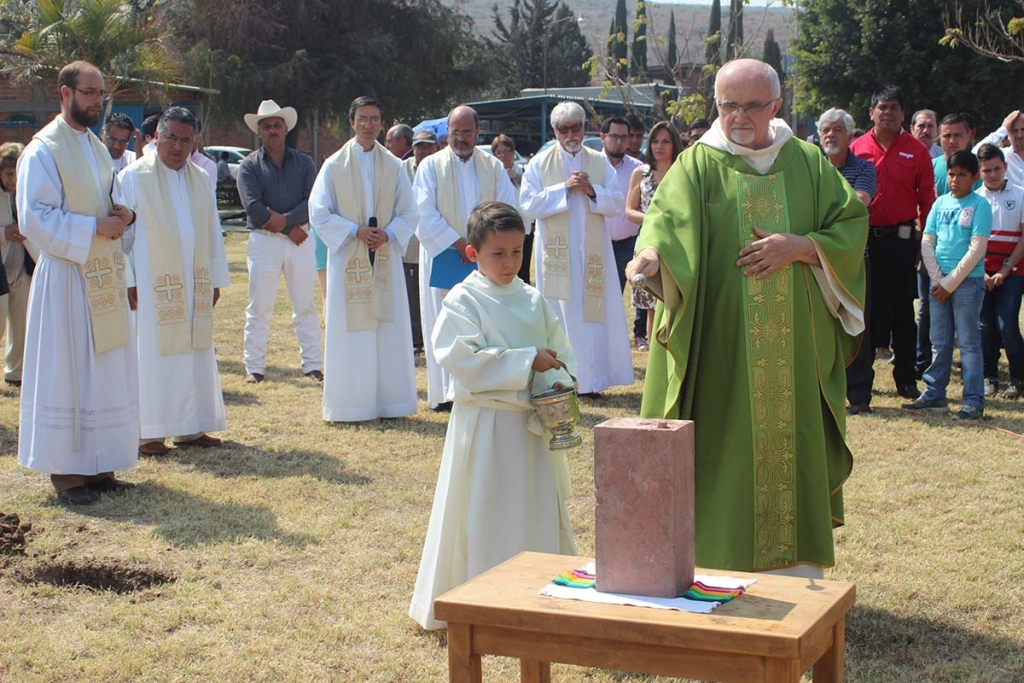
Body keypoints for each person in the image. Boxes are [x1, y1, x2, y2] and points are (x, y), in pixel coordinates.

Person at [627, 58, 867, 576]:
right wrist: (651, 257)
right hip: (721, 341)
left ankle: (795, 570)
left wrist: (803, 246)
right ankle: (718, 561)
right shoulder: (696, 164)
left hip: (794, 349)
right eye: (728, 105)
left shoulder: (806, 161)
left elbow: (850, 222)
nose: (738, 116)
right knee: (720, 441)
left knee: (790, 442)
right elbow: (666, 223)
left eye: (751, 105)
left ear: (776, 107)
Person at [409, 201, 577, 630]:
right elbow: (459, 356)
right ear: (473, 254)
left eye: (517, 252)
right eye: (497, 254)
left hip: (530, 427)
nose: (509, 263)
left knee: (531, 506)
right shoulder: (464, 300)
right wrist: (523, 361)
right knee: (485, 508)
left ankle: (536, 592)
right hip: (487, 425)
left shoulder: (533, 298)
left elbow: (561, 352)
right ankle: (480, 597)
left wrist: (557, 382)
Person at [16, 61, 139, 506]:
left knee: (103, 368)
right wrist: (94, 228)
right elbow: (35, 219)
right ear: (64, 92)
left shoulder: (94, 147)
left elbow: (110, 198)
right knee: (67, 370)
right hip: (66, 277)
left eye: (102, 94)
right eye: (90, 93)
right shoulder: (42, 151)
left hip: (102, 275)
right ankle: (66, 472)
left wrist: (125, 215)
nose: (98, 102)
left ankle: (99, 463)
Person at [119, 107, 231, 455]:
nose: (178, 146)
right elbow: (122, 236)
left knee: (195, 349)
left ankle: (191, 426)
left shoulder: (200, 179)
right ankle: (149, 432)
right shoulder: (134, 177)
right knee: (154, 352)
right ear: (156, 136)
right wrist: (129, 278)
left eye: (186, 139)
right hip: (152, 284)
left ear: (194, 141)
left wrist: (214, 278)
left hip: (193, 279)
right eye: (171, 137)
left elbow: (212, 232)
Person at [309, 95, 417, 422]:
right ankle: (351, 404)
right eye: (363, 119)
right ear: (351, 122)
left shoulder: (394, 166)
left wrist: (389, 233)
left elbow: (409, 211)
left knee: (387, 326)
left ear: (382, 123)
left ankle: (390, 402)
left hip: (383, 254)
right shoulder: (334, 164)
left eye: (374, 119)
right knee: (351, 329)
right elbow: (318, 211)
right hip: (350, 255)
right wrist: (354, 231)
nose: (368, 125)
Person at [520, 101, 632, 396]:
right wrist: (564, 189)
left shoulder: (598, 161)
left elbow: (618, 201)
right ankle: (565, 378)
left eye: (576, 127)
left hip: (593, 253)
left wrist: (593, 190)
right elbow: (528, 204)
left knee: (593, 315)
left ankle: (593, 380)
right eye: (563, 129)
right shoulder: (539, 163)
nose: (570, 134)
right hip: (558, 256)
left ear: (585, 128)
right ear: (555, 131)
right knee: (562, 314)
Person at [414, 105, 517, 411]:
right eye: (455, 132)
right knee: (443, 321)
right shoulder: (430, 166)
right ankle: (445, 393)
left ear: (478, 133)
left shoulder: (493, 166)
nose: (460, 139)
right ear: (447, 132)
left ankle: (481, 386)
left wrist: (483, 247)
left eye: (466, 132)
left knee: (484, 322)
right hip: (445, 256)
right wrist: (459, 244)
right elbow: (423, 212)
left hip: (484, 259)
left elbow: (507, 206)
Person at [849, 85, 935, 400]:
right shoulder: (856, 148)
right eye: (882, 107)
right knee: (867, 311)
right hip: (864, 241)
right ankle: (861, 382)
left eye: (894, 107)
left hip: (901, 241)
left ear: (903, 114)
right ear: (871, 112)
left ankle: (907, 379)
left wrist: (926, 247)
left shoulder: (918, 151)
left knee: (902, 311)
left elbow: (927, 200)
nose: (888, 113)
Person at [237, 99, 323, 384]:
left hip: (300, 240)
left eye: (277, 125)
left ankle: (313, 365)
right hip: (265, 240)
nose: (272, 130)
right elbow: (254, 207)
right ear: (259, 132)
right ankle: (254, 367)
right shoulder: (249, 165)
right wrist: (290, 227)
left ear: (286, 129)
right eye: (266, 126)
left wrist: (285, 223)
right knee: (259, 307)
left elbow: (312, 201)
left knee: (305, 305)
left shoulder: (305, 162)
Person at [906, 150, 991, 420]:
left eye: (962, 175)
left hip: (967, 283)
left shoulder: (980, 205)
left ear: (975, 177)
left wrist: (950, 283)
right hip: (938, 282)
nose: (955, 180)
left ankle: (973, 401)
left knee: (968, 343)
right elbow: (928, 242)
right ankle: (935, 393)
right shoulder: (940, 203)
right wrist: (938, 279)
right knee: (938, 341)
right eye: (952, 174)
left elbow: (976, 250)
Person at [818, 108, 877, 415]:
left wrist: (821, 213)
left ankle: (859, 396)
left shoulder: (865, 169)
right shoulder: (810, 169)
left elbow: (858, 203)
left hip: (854, 261)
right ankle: (823, 393)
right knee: (819, 327)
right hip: (815, 260)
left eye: (838, 129)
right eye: (826, 129)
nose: (831, 135)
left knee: (856, 326)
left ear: (851, 136)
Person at [918, 112, 979, 377]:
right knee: (927, 312)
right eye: (946, 135)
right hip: (933, 257)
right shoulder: (931, 166)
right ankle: (925, 366)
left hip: (968, 262)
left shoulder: (978, 171)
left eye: (958, 135)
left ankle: (978, 375)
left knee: (971, 329)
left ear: (970, 135)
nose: (951, 140)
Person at [624, 121, 684, 352]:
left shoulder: (683, 171)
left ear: (674, 144)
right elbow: (629, 211)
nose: (659, 146)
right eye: (655, 141)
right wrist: (653, 219)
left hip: (678, 241)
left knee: (673, 299)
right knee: (650, 302)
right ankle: (653, 351)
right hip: (649, 240)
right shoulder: (641, 173)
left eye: (665, 141)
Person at [976, 144, 1024, 399]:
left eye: (997, 169)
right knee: (985, 327)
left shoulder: (1021, 194)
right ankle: (989, 376)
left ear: (1005, 167)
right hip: (981, 272)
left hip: (1013, 270)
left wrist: (1005, 269)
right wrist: (981, 271)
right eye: (987, 170)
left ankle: (1017, 378)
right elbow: (971, 240)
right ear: (980, 172)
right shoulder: (975, 198)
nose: (992, 174)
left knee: (1007, 325)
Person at [601, 116, 646, 347]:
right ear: (603, 137)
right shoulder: (592, 164)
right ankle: (606, 340)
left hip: (630, 242)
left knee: (639, 289)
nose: (619, 142)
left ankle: (640, 335)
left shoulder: (638, 169)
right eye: (614, 136)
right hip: (599, 242)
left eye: (624, 137)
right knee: (603, 295)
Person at [402, 130, 438, 352]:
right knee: (409, 293)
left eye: (428, 146)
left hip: (433, 240)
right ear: (413, 148)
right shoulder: (402, 169)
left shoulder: (438, 167)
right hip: (408, 242)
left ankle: (429, 337)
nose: (424, 151)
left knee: (428, 292)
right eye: (420, 146)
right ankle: (415, 340)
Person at [0, 142, 31, 387]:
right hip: (1, 261)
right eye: (9, 174)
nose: (13, 180)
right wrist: (4, 233)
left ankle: (15, 372)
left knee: (21, 320)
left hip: (22, 261)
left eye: (17, 174)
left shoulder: (27, 191)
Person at [491, 134, 532, 283]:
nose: (503, 155)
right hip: (502, 230)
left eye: (507, 151)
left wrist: (515, 176)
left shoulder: (523, 171)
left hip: (525, 227)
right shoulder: (492, 173)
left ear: (513, 153)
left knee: (523, 270)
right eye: (499, 152)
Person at [973, 110, 1024, 187]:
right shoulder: (1002, 156)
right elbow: (975, 152)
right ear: (1007, 134)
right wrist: (1003, 129)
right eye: (1014, 131)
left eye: (1023, 130)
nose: (1019, 135)